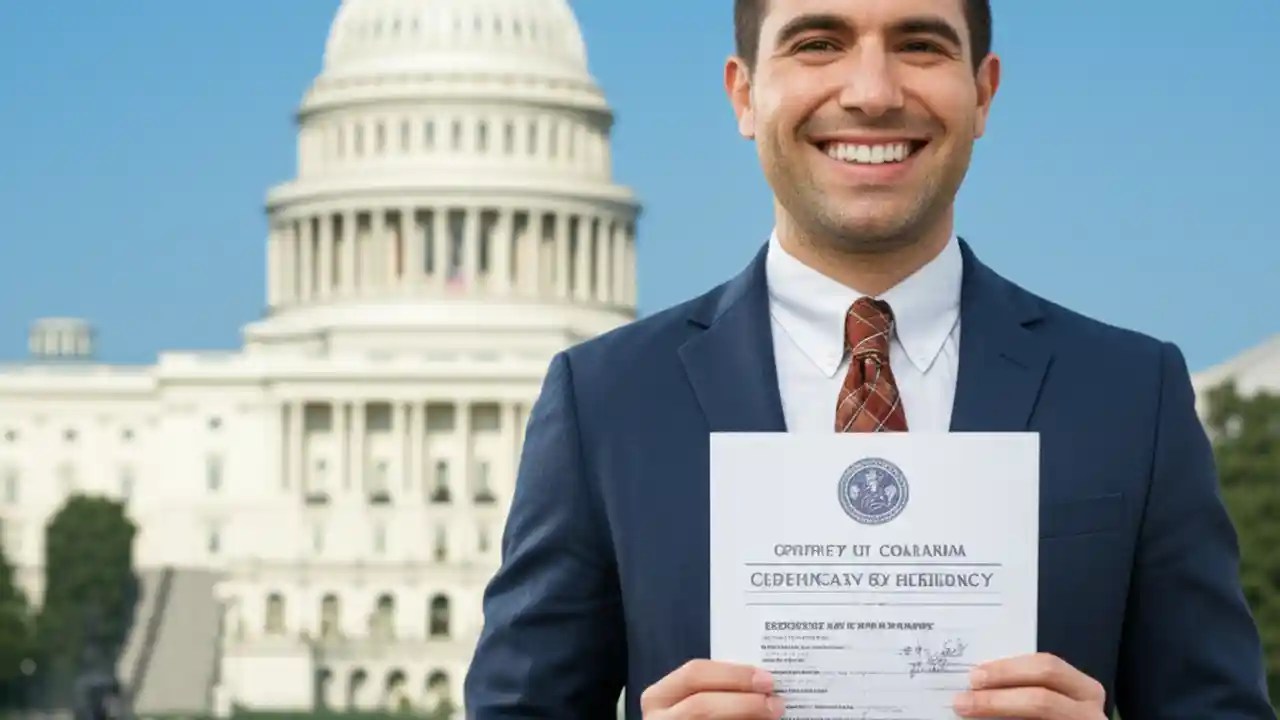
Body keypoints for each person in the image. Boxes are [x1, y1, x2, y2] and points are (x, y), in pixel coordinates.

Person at [464, 0, 1275, 717]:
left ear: (984, 90)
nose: (873, 92)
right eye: (819, 42)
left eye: (920, 44)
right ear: (744, 93)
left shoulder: (1132, 395)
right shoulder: (605, 401)